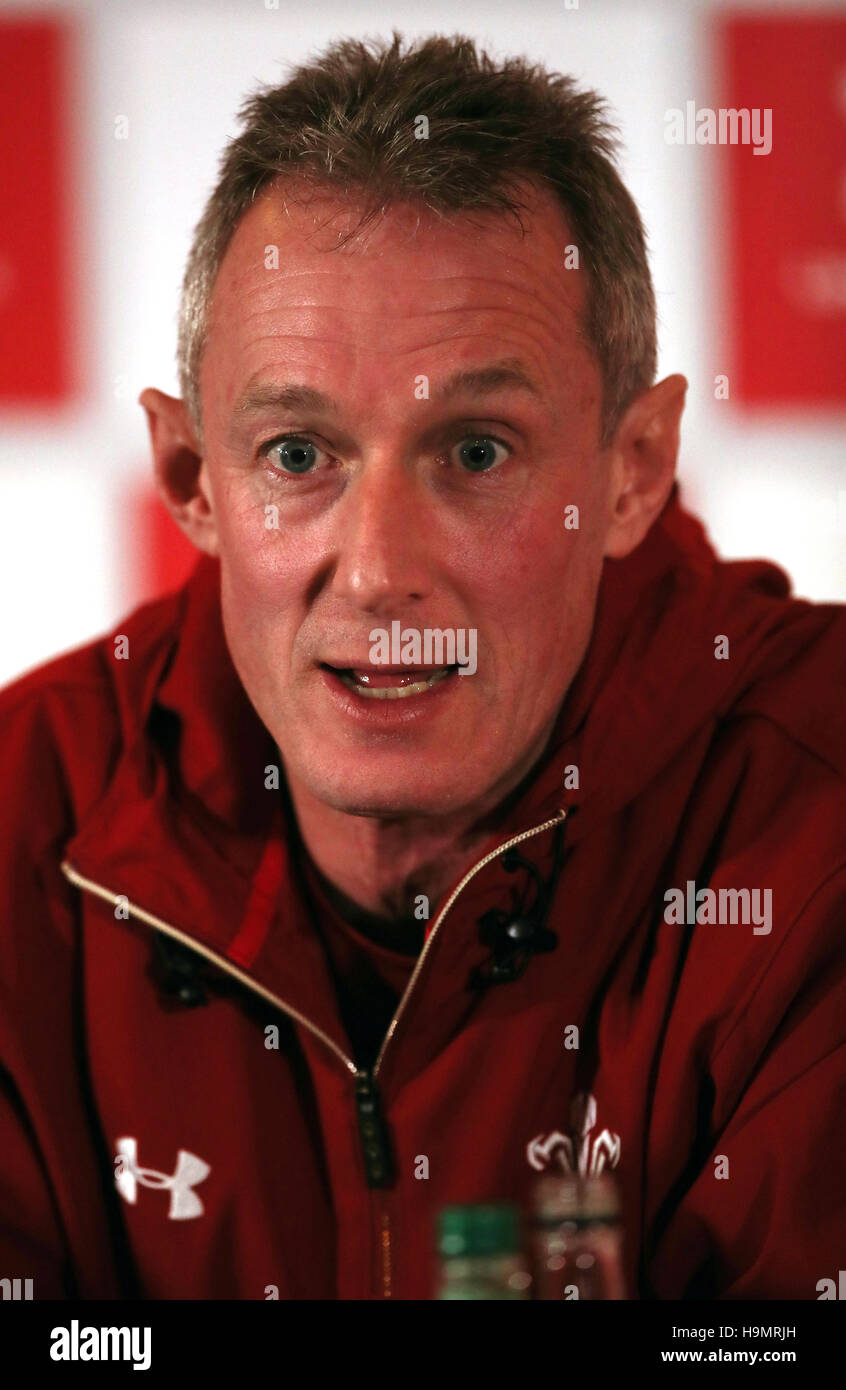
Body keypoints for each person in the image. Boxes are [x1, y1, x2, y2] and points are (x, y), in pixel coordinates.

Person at [1, 32, 843, 1301]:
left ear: (634, 467)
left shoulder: (823, 818)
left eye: (478, 453)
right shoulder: (18, 829)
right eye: (298, 454)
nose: (382, 567)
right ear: (191, 480)